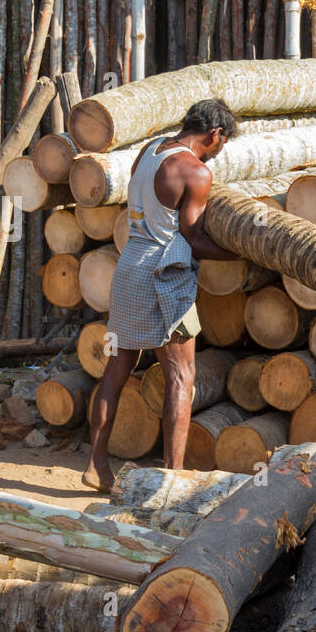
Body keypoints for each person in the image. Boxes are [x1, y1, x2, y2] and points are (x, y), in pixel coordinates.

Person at [83, 98, 240, 492]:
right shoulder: (194, 172)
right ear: (215, 135)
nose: (220, 152)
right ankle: (171, 479)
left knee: (116, 372)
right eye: (223, 144)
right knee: (180, 377)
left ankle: (96, 465)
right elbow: (193, 239)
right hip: (164, 275)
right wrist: (237, 254)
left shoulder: (149, 151)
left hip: (129, 266)